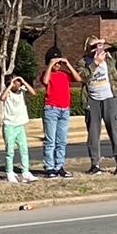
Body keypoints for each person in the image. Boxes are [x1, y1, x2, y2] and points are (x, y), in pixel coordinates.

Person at [77, 35, 117, 176]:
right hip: (92, 100)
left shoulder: (109, 56)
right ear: (87, 49)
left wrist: (105, 43)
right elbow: (83, 77)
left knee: (115, 132)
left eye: (97, 46)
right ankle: (95, 165)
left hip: (110, 98)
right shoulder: (83, 62)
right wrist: (95, 63)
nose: (96, 49)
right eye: (93, 47)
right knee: (93, 134)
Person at [39, 47, 80, 178]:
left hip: (64, 109)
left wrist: (68, 64)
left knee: (61, 141)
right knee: (50, 140)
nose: (57, 65)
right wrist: (50, 66)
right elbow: (45, 81)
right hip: (51, 109)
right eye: (54, 62)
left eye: (58, 62)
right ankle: (49, 167)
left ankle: (59, 166)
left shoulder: (64, 74)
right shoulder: (46, 74)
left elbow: (78, 79)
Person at [0, 75, 38, 183]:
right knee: (10, 151)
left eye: (18, 82)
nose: (18, 84)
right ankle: (9, 172)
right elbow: (2, 98)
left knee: (24, 149)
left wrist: (23, 80)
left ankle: (25, 172)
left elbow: (33, 93)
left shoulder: (22, 91)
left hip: (20, 125)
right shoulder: (8, 93)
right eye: (16, 82)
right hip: (9, 126)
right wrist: (10, 85)